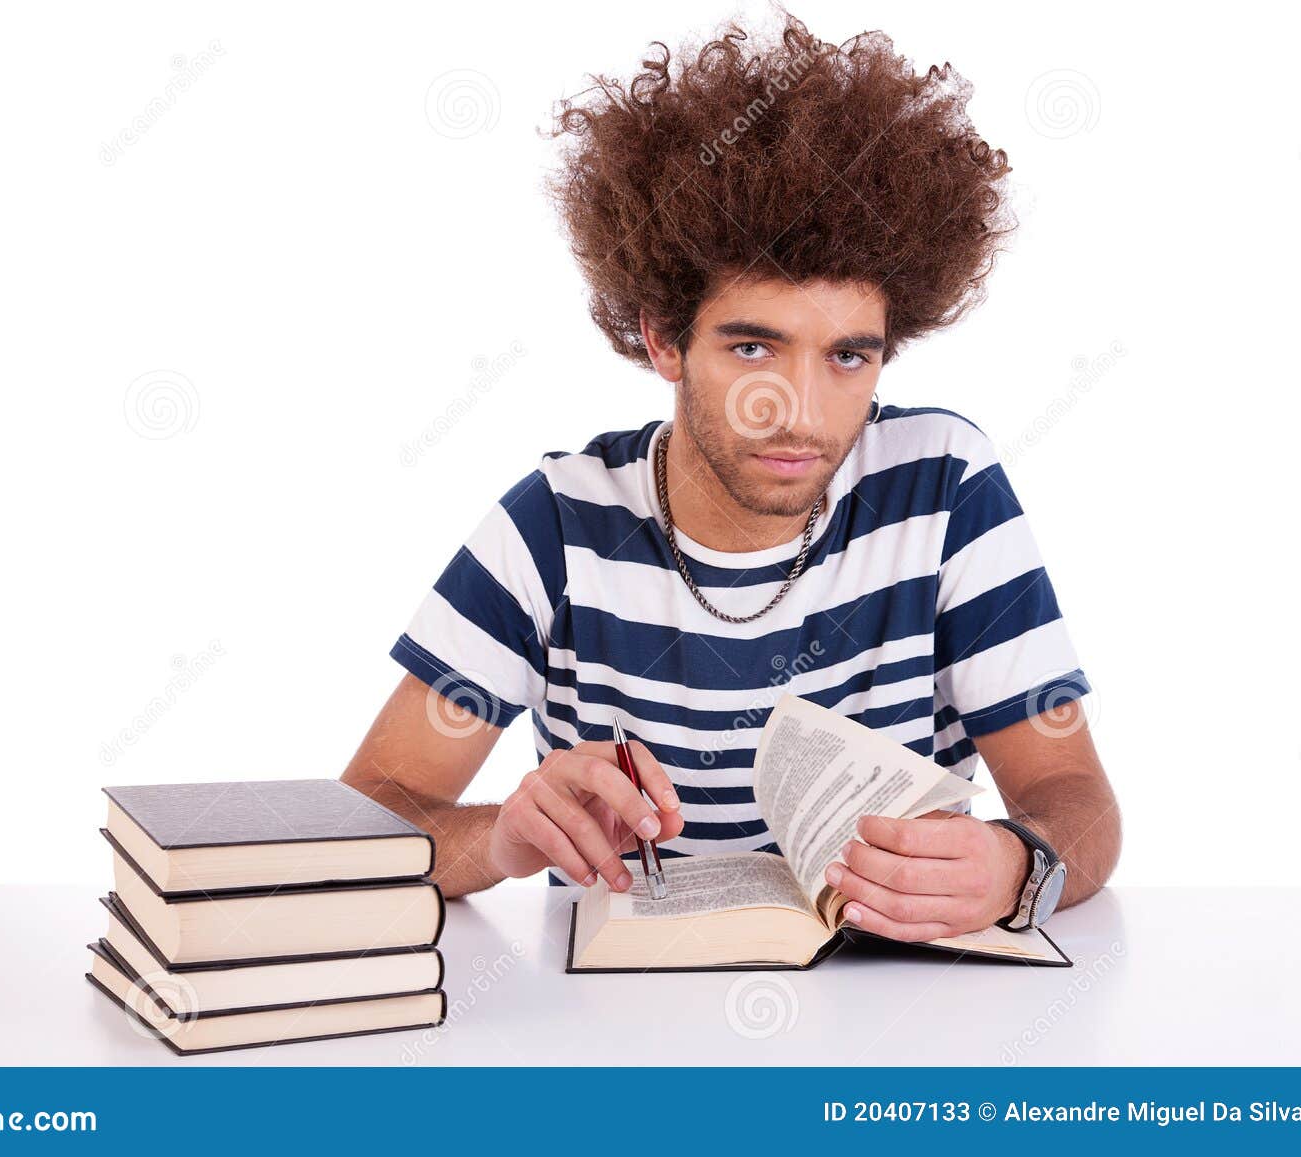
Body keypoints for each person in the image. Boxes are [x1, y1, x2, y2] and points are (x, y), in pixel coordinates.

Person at [344, 12, 1119, 942]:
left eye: (847, 357)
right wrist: (505, 840)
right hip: (622, 1035)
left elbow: (1075, 797)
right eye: (754, 346)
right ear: (663, 339)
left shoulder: (944, 490)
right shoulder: (551, 529)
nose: (799, 411)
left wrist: (1017, 864)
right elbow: (367, 823)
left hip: (900, 1024)